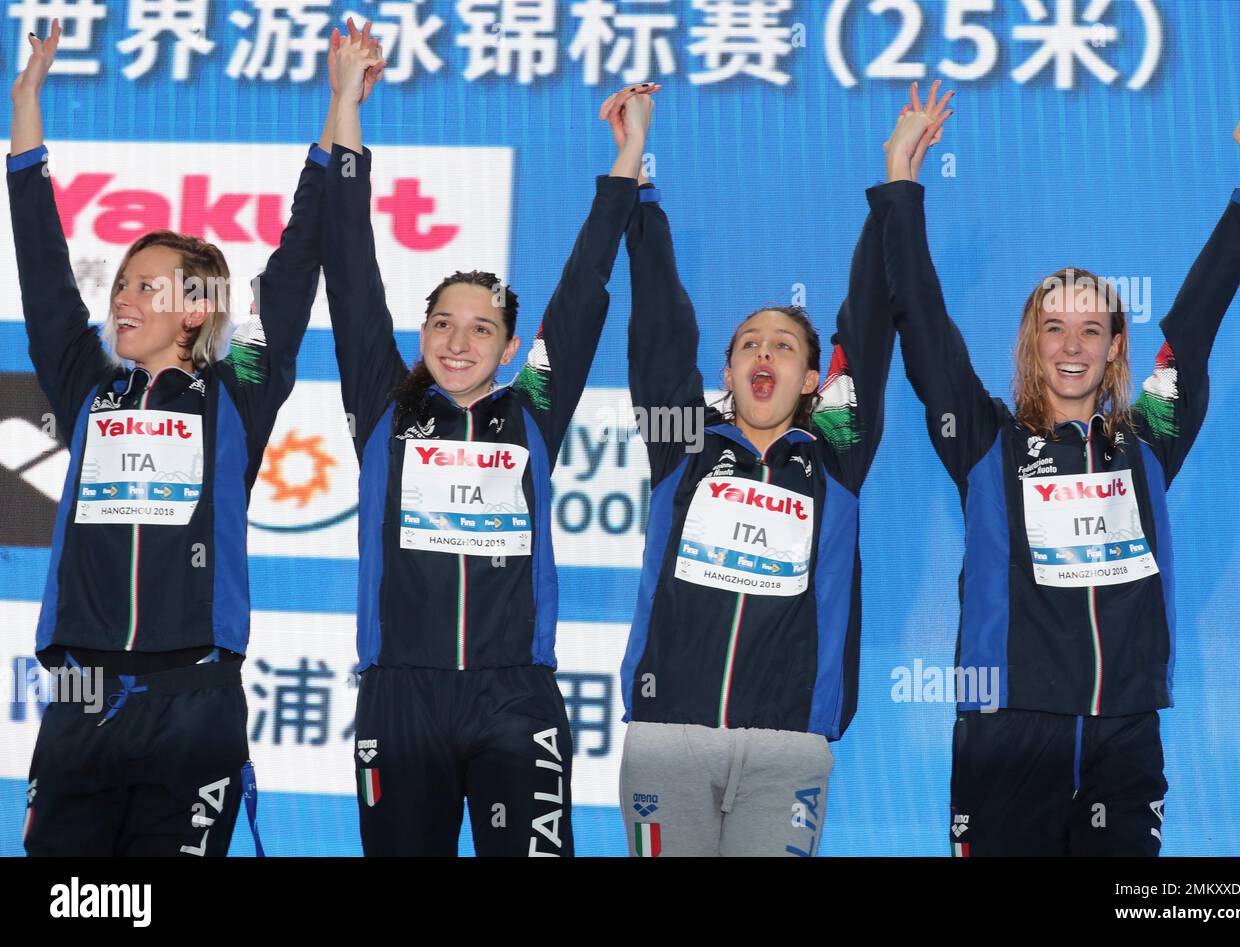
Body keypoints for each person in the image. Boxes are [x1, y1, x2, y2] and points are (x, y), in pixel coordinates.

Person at [874, 80, 1240, 855]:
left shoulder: (1147, 441)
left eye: (1091, 328)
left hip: (1124, 730)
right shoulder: (985, 440)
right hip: (1007, 727)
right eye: (1053, 326)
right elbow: (921, 323)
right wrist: (902, 180)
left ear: (1116, 346)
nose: (1071, 345)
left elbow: (1194, 326)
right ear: (1032, 342)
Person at [11, 18, 381, 856]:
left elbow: (297, 259)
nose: (123, 298)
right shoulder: (87, 386)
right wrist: (26, 110)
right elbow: (40, 260)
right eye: (122, 283)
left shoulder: (236, 392)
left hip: (196, 700)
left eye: (147, 284)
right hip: (79, 694)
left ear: (197, 307)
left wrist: (338, 104)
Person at [321, 59, 653, 854]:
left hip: (516, 698)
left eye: (479, 328)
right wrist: (344, 111)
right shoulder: (385, 405)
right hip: (401, 693)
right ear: (422, 334)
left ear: (509, 348)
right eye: (442, 323)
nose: (458, 340)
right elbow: (351, 268)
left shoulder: (532, 408)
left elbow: (582, 292)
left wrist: (626, 162)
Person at [614, 91, 906, 857]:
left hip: (788, 747)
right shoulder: (683, 442)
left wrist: (894, 189)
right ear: (728, 368)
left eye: (784, 345)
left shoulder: (834, 453)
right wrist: (641, 192)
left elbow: (868, 330)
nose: (764, 354)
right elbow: (656, 328)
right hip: (666, 735)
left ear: (814, 379)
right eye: (749, 342)